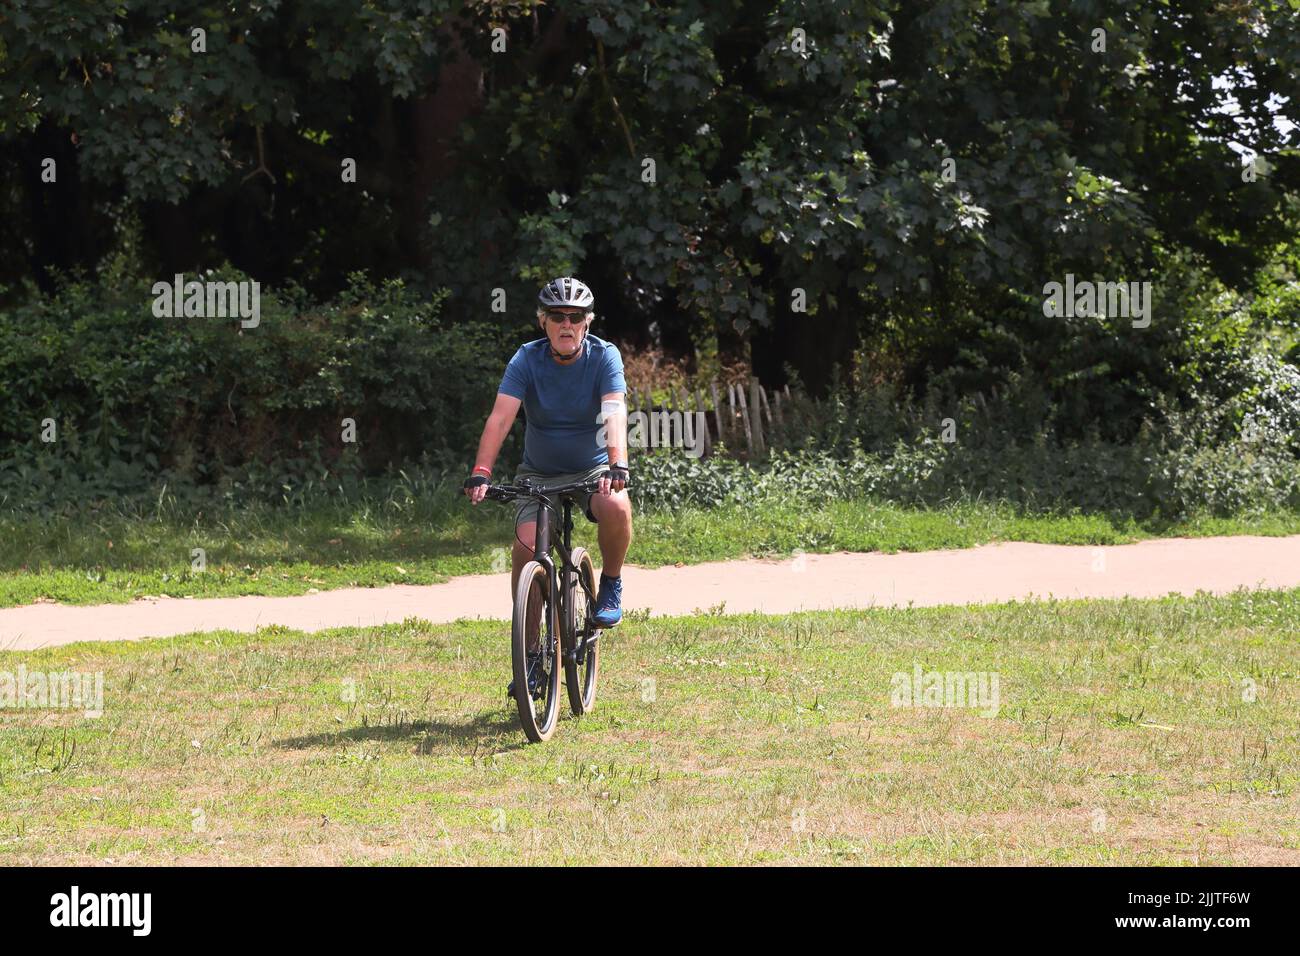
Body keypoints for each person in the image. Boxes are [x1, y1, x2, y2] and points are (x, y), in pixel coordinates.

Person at [464, 278, 632, 691]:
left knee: (617, 506)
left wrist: (618, 464)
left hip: (594, 470)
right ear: (543, 322)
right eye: (557, 316)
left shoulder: (604, 357)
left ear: (587, 323)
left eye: (575, 317)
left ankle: (610, 582)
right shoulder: (526, 359)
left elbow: (614, 413)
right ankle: (532, 657)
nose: (566, 324)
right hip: (537, 476)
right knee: (525, 551)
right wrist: (482, 471)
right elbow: (501, 417)